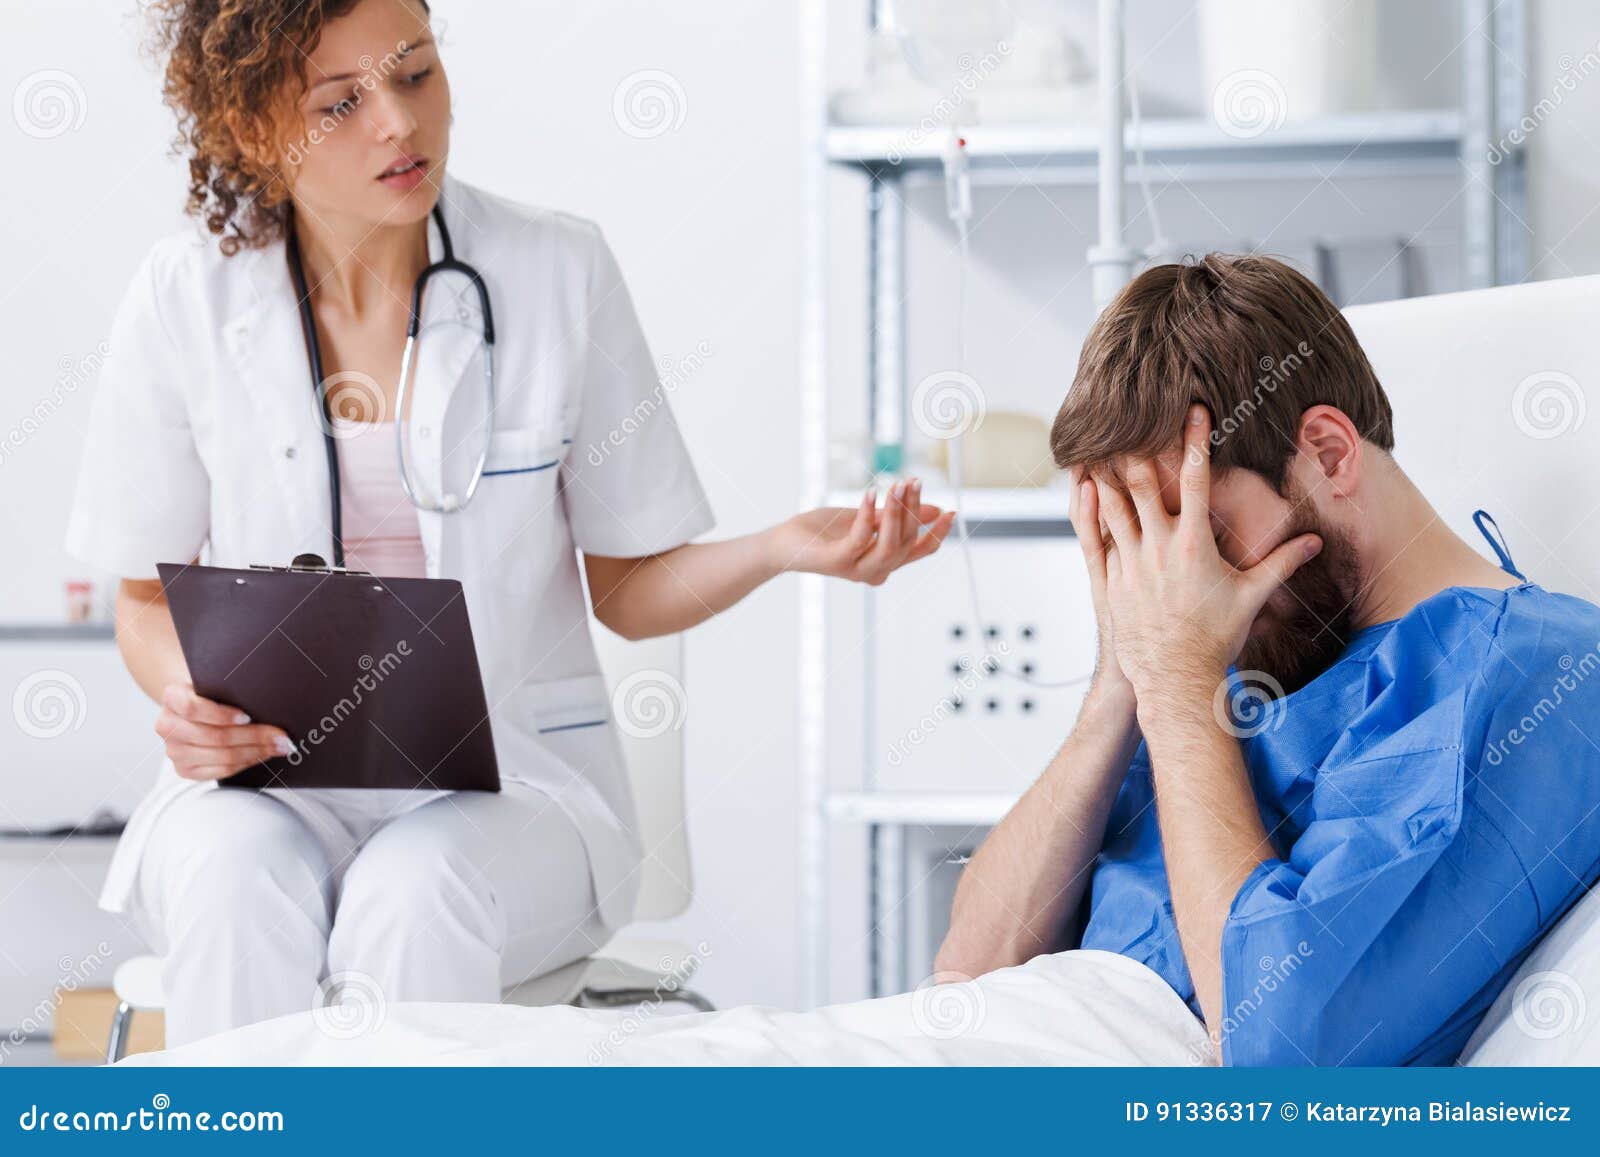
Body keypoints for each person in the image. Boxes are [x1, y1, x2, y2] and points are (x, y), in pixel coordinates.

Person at [66, 0, 953, 1048]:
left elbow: (628, 591)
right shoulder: (186, 298)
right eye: (340, 102)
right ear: (255, 129)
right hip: (266, 781)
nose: (399, 122)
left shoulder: (555, 271)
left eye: (416, 75)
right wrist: (185, 696)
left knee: (415, 886)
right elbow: (138, 598)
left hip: (507, 792)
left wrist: (780, 549)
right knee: (228, 877)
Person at [936, 254, 1600, 1065]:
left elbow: (1282, 1056)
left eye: (1200, 535)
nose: (1176, 580)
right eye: (1135, 545)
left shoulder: (1533, 677)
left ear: (1326, 452)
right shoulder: (1216, 652)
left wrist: (1177, 692)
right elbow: (963, 973)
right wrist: (1125, 670)